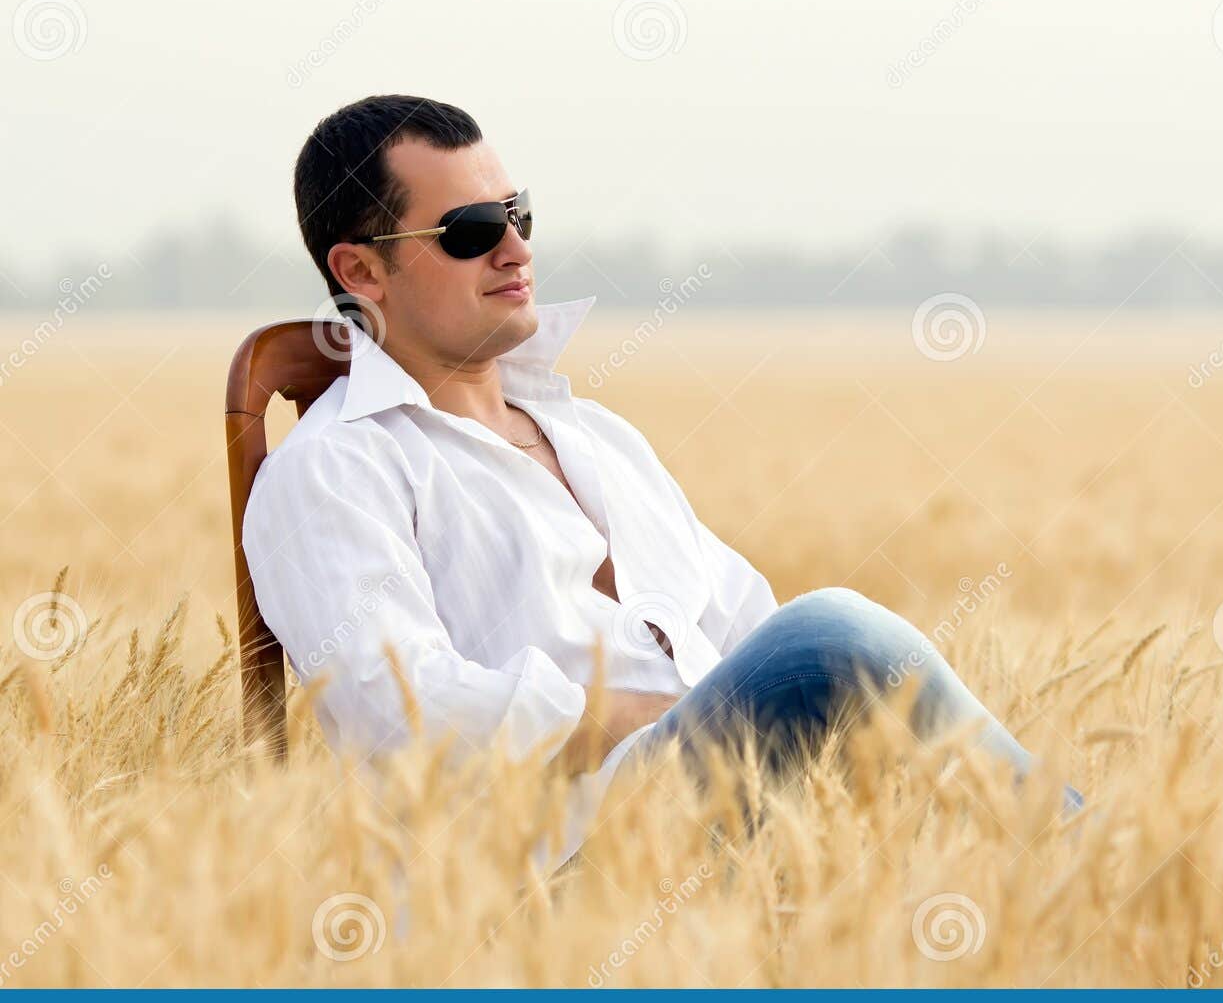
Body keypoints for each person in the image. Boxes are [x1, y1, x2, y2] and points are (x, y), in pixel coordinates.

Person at [243, 94, 1076, 871]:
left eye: (519, 214)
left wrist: (769, 719)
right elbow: (403, 713)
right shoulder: (332, 471)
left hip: (726, 815)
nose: (517, 249)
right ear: (360, 271)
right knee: (833, 634)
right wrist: (661, 717)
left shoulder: (598, 438)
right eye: (468, 230)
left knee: (859, 691)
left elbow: (749, 628)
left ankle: (1099, 896)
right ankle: (1111, 871)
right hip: (553, 865)